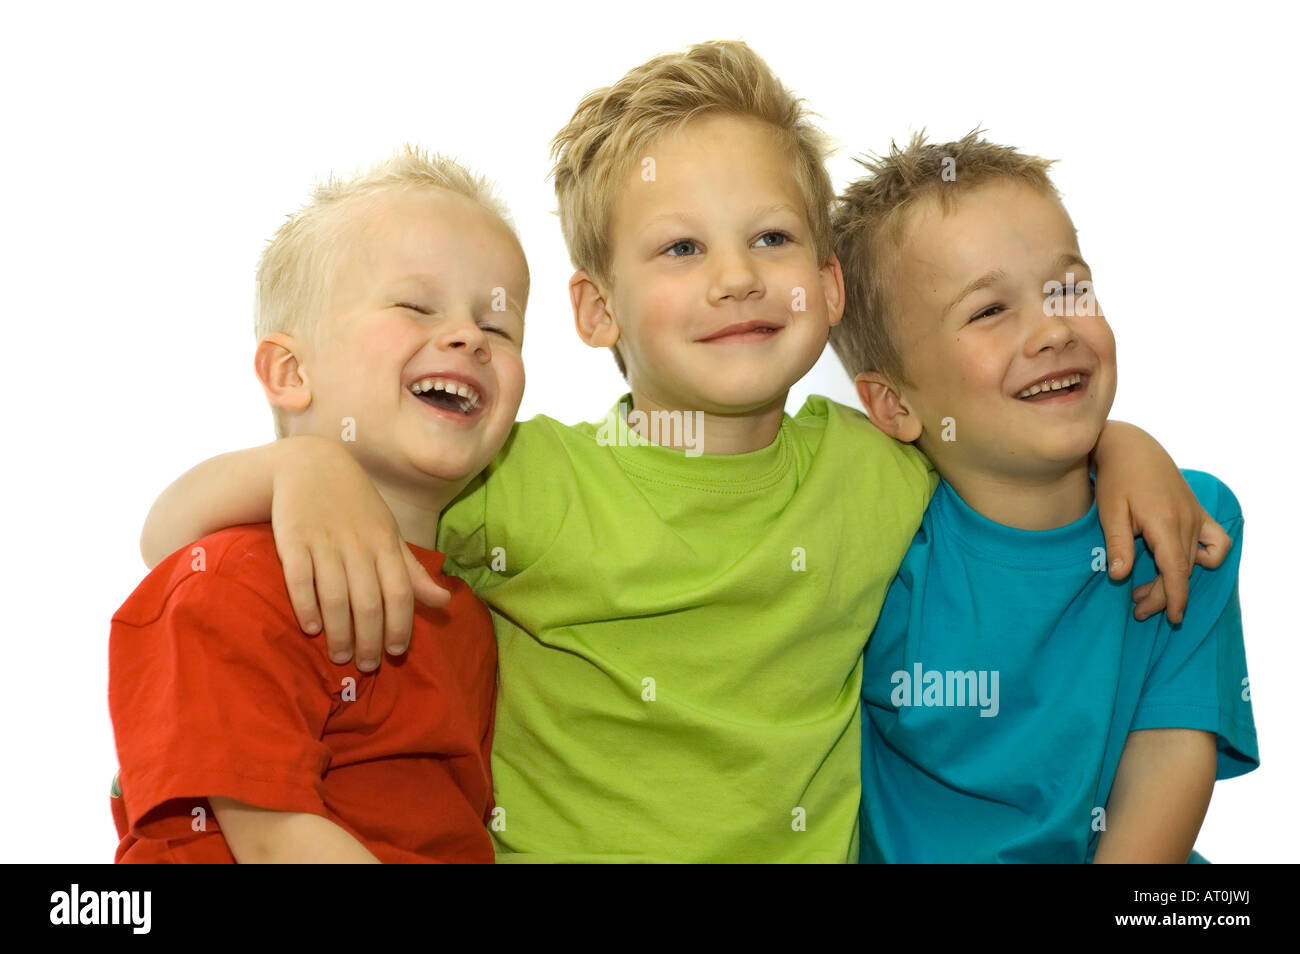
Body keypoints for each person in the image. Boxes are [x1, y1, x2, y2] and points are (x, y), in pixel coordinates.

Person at [136, 42, 1231, 862]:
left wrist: (1128, 446)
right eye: (679, 248)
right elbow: (173, 537)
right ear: (596, 310)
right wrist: (302, 465)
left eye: (769, 238)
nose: (734, 278)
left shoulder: (877, 472)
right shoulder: (521, 479)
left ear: (828, 287)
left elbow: (1016, 448)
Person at [829, 130, 1258, 862]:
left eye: (1070, 288)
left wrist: (1123, 438)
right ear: (893, 403)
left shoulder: (1188, 521)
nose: (1054, 328)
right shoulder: (870, 541)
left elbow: (1167, 769)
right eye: (989, 311)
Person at [109, 146, 528, 862]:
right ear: (291, 371)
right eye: (414, 305)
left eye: (498, 326)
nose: (468, 336)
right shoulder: (230, 583)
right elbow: (276, 843)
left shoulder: (469, 614)